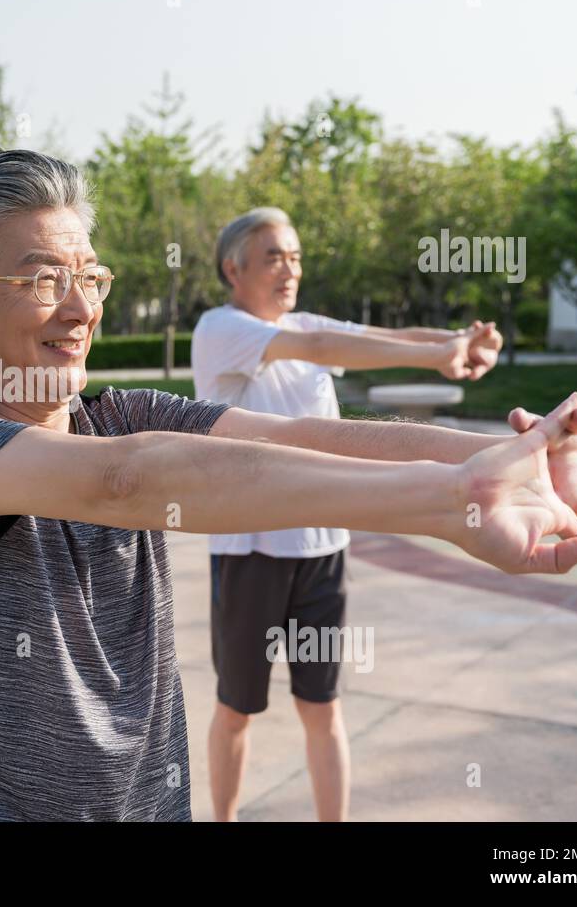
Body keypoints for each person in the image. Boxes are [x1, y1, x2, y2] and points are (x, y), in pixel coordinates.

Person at [0, 147, 577, 822]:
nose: (83, 308)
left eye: (88, 276)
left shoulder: (119, 414)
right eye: (41, 279)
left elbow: (305, 436)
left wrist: (514, 463)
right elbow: (122, 482)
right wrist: (452, 502)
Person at [191, 206, 514, 822]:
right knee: (237, 708)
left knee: (323, 706)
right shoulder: (221, 328)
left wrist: (450, 345)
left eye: (296, 256)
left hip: (321, 555)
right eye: (273, 257)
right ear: (232, 269)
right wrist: (440, 355)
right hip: (249, 553)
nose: (290, 269)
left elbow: (367, 340)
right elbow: (320, 344)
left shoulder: (302, 323)